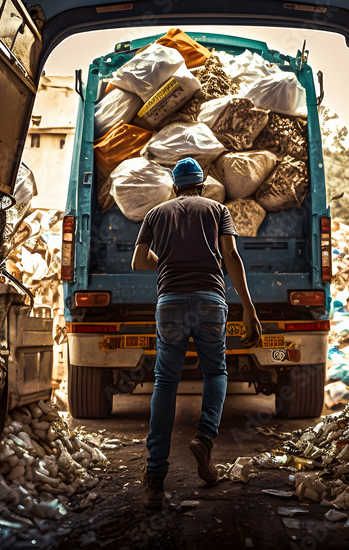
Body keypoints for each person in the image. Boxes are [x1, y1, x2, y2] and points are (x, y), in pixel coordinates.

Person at [131, 157, 262, 511]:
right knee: (216, 372)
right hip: (210, 302)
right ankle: (204, 438)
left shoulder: (156, 214)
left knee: (165, 382)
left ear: (175, 187)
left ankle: (155, 477)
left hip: (169, 303)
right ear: (202, 186)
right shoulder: (218, 210)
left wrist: (169, 261)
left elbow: (139, 261)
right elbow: (230, 254)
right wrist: (249, 308)